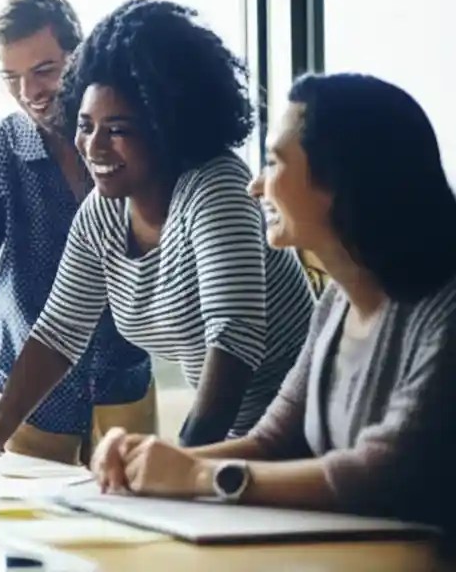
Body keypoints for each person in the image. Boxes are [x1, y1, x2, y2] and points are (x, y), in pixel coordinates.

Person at [89, 73, 456, 534]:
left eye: (273, 162)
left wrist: (198, 474)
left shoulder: (445, 310)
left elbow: (383, 474)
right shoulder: (337, 303)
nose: (256, 186)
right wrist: (151, 462)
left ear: (339, 178)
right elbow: (272, 443)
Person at [0, 0, 314, 458]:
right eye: (85, 126)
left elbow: (233, 338)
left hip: (302, 436)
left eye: (117, 129)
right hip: (237, 441)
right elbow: (58, 333)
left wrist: (184, 461)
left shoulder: (216, 188)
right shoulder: (104, 211)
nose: (94, 147)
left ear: (164, 126)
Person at [0, 0, 154, 465]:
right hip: (28, 405)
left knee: (137, 509)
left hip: (127, 383)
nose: (29, 92)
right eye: (12, 77)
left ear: (78, 55)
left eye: (44, 70)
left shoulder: (129, 141)